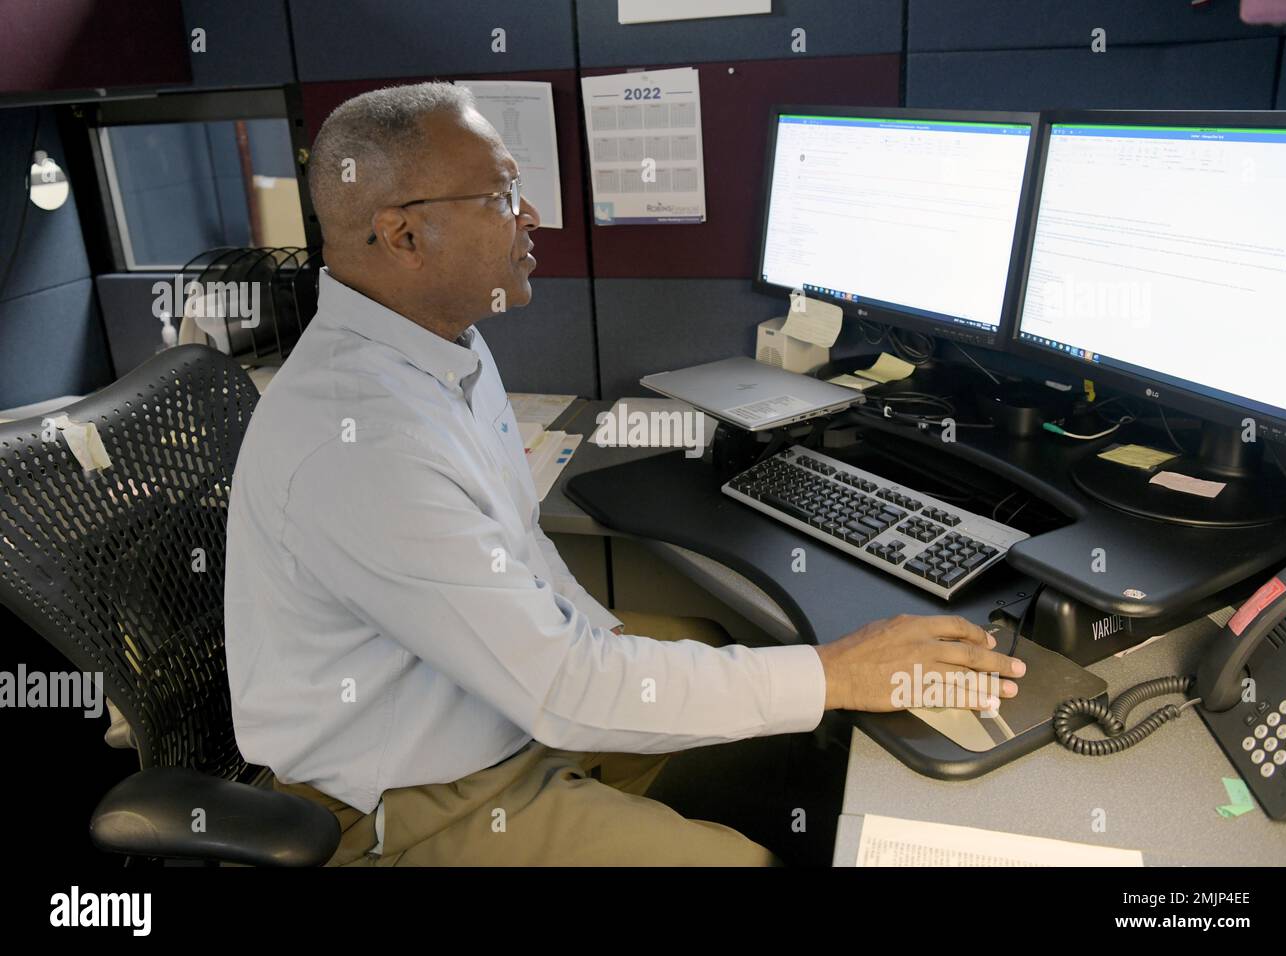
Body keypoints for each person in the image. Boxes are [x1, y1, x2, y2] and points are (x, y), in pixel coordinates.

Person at [223, 82, 1025, 866]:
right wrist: (836, 671)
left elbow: (523, 550)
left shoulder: (441, 343)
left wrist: (611, 651)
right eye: (503, 196)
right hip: (411, 797)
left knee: (714, 650)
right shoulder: (361, 445)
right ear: (403, 236)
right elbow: (561, 690)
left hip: (492, 706)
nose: (530, 217)